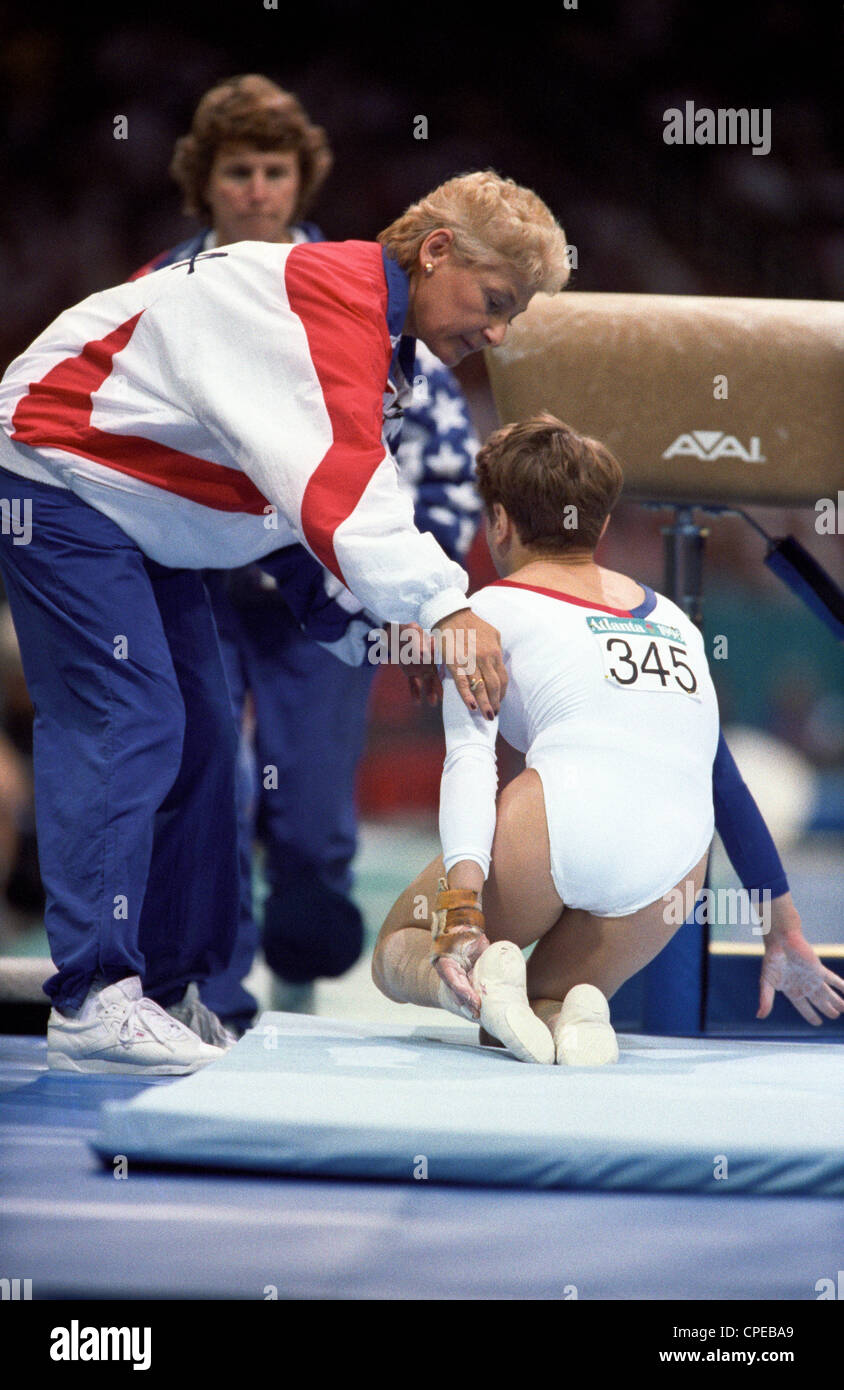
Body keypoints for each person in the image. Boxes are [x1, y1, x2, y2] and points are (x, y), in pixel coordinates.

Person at [0, 172, 571, 1072]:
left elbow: (284, 509)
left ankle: (164, 990)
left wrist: (377, 631)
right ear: (436, 252)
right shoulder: (325, 297)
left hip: (145, 505)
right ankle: (92, 999)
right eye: (495, 301)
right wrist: (444, 607)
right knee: (132, 718)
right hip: (59, 471)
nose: (496, 333)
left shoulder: (381, 345)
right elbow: (334, 490)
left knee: (202, 739)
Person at [131, 75, 485, 1030]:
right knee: (208, 791)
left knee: (313, 825)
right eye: (237, 171)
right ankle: (217, 992)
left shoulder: (365, 291)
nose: (256, 190)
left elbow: (445, 456)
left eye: (273, 171)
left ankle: (291, 959)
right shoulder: (156, 290)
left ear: (299, 181)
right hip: (193, 586)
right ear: (203, 183)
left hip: (321, 595)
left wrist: (419, 607)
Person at [371, 415, 844, 1063]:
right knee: (526, 1014)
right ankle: (578, 1008)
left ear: (501, 523)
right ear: (598, 526)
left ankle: (466, 984)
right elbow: (723, 782)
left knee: (400, 945)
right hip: (670, 869)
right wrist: (782, 928)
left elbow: (471, 765)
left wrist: (462, 911)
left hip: (557, 823)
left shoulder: (481, 616)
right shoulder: (675, 620)